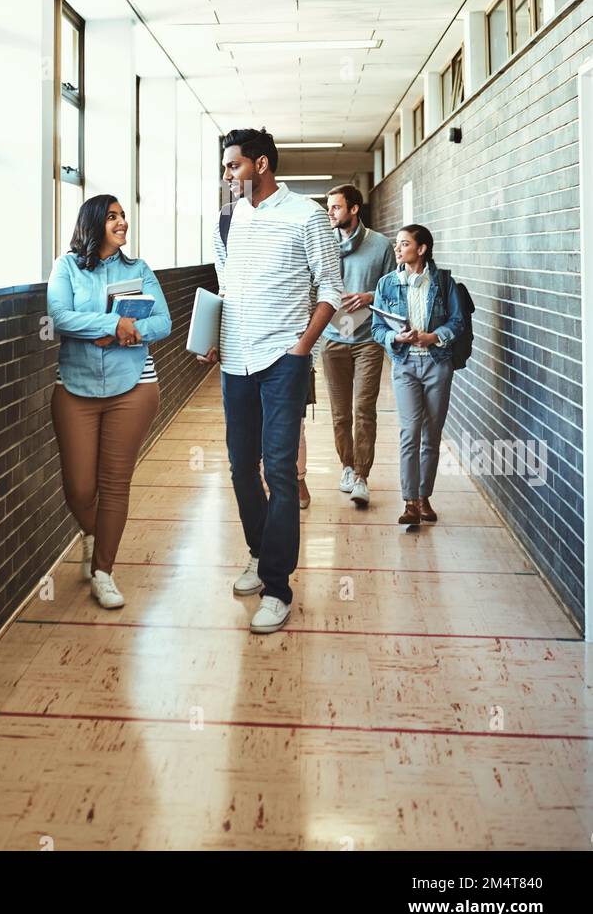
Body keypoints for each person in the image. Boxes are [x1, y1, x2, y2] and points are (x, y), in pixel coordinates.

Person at [198, 129, 343, 633]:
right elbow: (225, 284)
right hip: (234, 361)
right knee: (241, 467)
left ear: (260, 165)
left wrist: (303, 346)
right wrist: (213, 334)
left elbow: (331, 285)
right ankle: (261, 556)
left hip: (283, 360)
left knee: (279, 469)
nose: (227, 175)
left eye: (233, 166)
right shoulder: (225, 220)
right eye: (224, 168)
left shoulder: (306, 216)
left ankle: (279, 587)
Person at [47, 195, 172, 608]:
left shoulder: (139, 270)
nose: (122, 223)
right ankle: (93, 533)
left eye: (124, 217)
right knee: (79, 487)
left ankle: (104, 572)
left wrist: (124, 332)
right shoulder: (66, 267)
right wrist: (111, 323)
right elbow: (60, 317)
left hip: (134, 384)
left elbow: (163, 322)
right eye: (113, 217)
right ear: (94, 223)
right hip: (75, 388)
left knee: (114, 484)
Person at [370, 224, 465, 526]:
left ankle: (425, 498)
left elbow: (458, 321)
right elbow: (377, 328)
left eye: (404, 244)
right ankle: (409, 501)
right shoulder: (386, 284)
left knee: (431, 435)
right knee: (409, 432)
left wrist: (433, 337)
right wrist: (396, 339)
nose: (397, 249)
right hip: (406, 366)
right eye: (397, 245)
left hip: (438, 364)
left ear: (421, 249)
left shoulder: (443, 281)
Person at [320, 185, 396, 507]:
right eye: (328, 208)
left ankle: (363, 477)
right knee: (340, 415)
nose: (330, 213)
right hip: (333, 340)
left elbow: (395, 292)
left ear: (353, 209)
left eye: (335, 207)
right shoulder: (325, 246)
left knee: (363, 411)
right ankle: (347, 468)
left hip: (367, 340)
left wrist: (369, 297)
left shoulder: (380, 245)